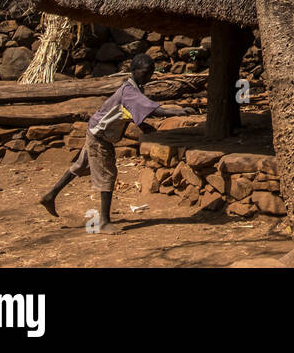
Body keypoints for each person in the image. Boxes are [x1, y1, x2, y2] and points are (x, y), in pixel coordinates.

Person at [39, 53, 188, 232]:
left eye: (151, 73)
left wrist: (142, 125)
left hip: (95, 130)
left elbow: (128, 111)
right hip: (100, 136)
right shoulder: (130, 91)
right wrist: (176, 112)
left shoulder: (135, 88)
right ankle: (104, 222)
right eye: (145, 72)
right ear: (134, 71)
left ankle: (50, 195)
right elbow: (152, 109)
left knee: (80, 166)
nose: (148, 76)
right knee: (108, 174)